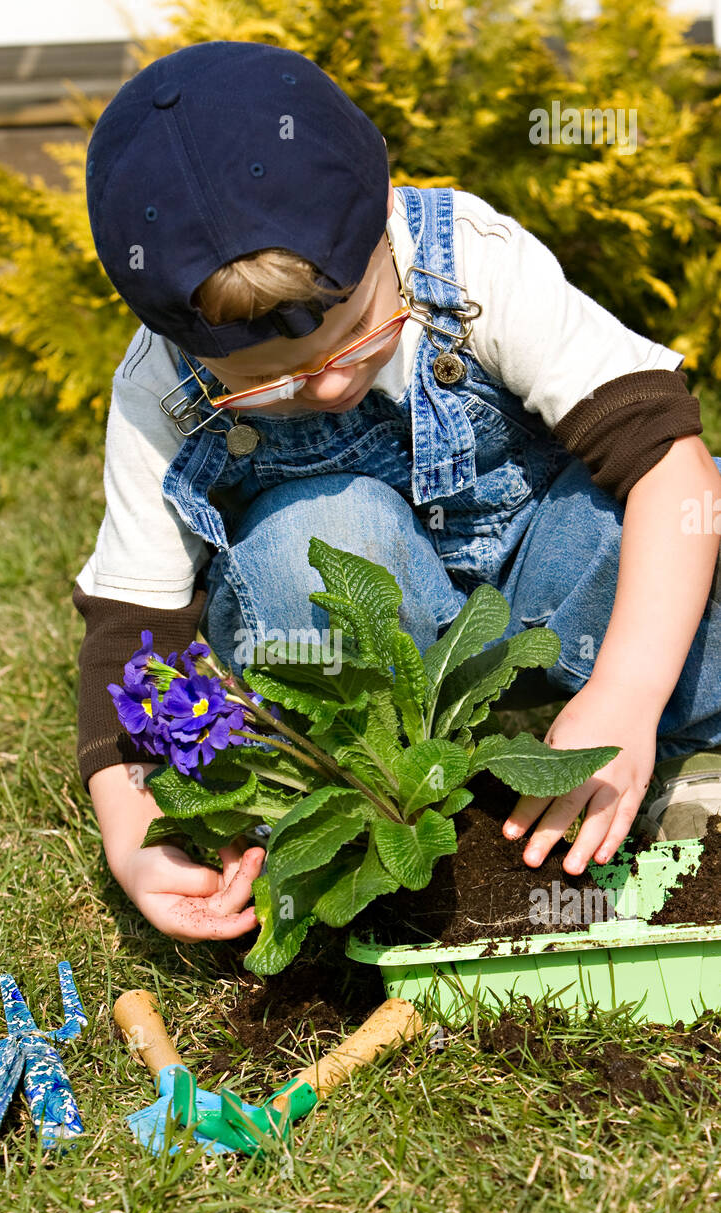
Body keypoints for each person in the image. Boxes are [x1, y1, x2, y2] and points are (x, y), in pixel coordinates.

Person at [75, 40, 721, 942]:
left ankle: (677, 751)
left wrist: (624, 692)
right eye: (272, 384)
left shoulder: (471, 261)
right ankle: (381, 816)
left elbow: (668, 462)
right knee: (321, 531)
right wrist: (136, 836)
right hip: (351, 653)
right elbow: (128, 640)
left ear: (384, 219)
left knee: (687, 528)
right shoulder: (161, 388)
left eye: (351, 337)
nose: (329, 385)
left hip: (528, 591)